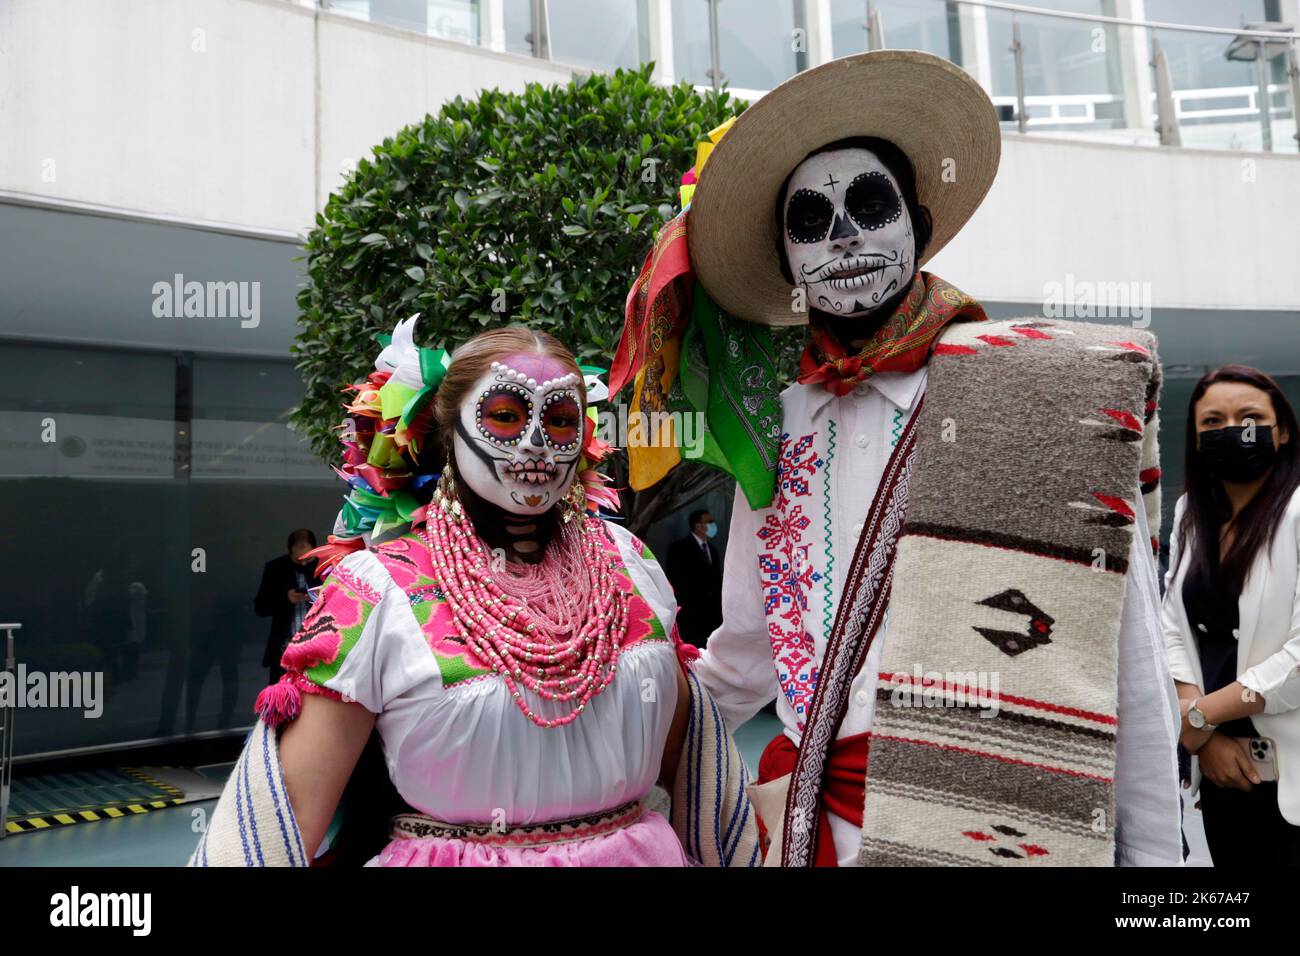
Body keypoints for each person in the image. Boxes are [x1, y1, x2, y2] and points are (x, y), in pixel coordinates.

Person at [610, 50, 1182, 866]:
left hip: (997, 833)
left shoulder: (1041, 394)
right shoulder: (783, 433)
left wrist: (1157, 872)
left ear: (916, 221)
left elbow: (1124, 666)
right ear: (787, 263)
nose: (842, 236)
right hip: (816, 833)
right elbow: (742, 660)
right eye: (810, 221)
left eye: (869, 205)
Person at [191, 318, 758, 867]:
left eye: (561, 420)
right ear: (447, 431)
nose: (538, 444)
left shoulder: (629, 563)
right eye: (507, 416)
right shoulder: (377, 588)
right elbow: (278, 825)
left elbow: (691, 770)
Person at [1162, 365, 1300, 865]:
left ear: (1282, 429)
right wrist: (1205, 738)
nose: (1234, 430)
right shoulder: (1189, 515)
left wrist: (1201, 717)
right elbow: (1171, 626)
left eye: (1250, 416)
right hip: (1227, 780)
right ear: (1198, 441)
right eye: (1213, 422)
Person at [255, 529, 319, 685]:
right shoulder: (276, 568)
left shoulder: (323, 567)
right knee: (281, 699)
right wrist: (285, 598)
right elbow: (260, 607)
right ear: (290, 552)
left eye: (308, 559)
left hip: (318, 649)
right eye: (298, 560)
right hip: (285, 650)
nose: (304, 564)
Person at [664, 509, 723, 647]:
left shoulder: (713, 551)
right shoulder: (679, 549)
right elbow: (674, 580)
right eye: (709, 522)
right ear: (698, 525)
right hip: (690, 614)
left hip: (712, 614)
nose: (713, 525)